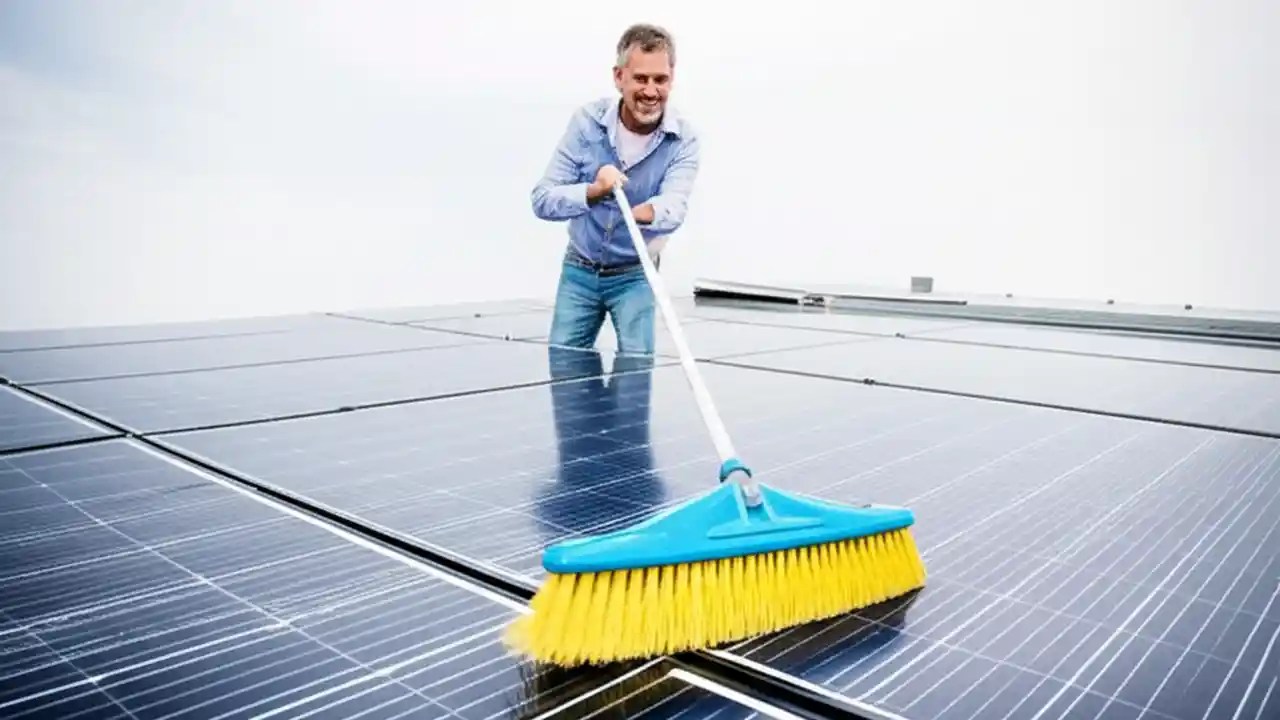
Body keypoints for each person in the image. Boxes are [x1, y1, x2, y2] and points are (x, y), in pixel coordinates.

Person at [531, 23, 701, 355]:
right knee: (566, 366)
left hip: (636, 274)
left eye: (660, 79)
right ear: (619, 76)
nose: (650, 91)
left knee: (636, 370)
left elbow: (675, 206)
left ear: (672, 79)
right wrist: (594, 191)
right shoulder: (586, 123)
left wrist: (638, 214)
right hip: (579, 270)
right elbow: (543, 199)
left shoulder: (684, 139)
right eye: (640, 78)